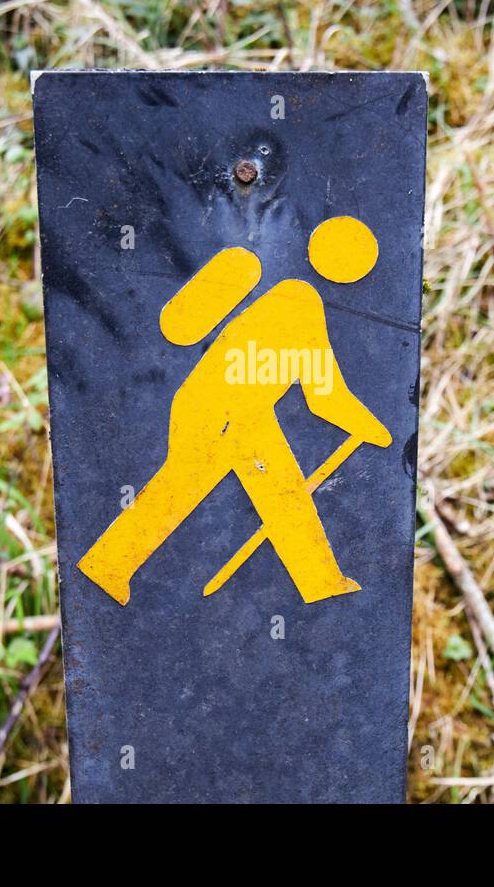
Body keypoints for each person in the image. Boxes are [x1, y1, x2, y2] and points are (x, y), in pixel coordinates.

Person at [78, 216, 391, 605]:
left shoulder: (291, 298)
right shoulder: (299, 302)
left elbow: (322, 393)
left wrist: (368, 426)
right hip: (224, 413)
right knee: (189, 490)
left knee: (277, 493)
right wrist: (372, 429)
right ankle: (107, 565)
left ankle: (320, 582)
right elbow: (324, 395)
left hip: (234, 411)